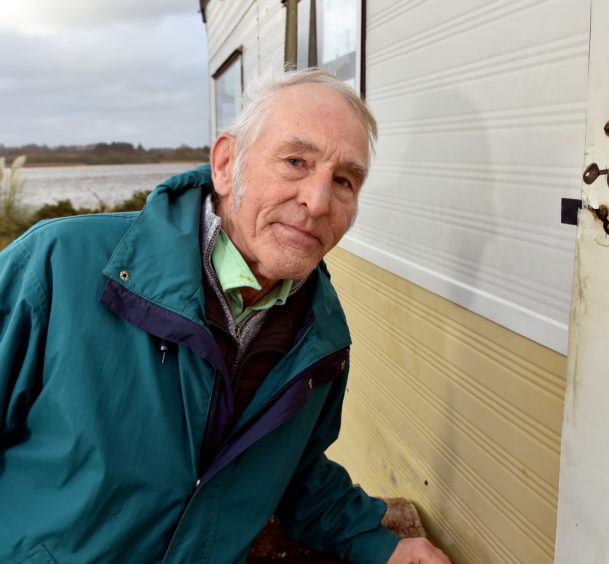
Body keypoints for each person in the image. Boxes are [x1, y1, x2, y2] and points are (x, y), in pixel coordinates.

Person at [0, 69, 450, 564]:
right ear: (225, 163)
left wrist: (381, 545)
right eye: (295, 162)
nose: (318, 201)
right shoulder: (57, 263)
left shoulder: (321, 337)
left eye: (344, 181)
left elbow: (292, 475)